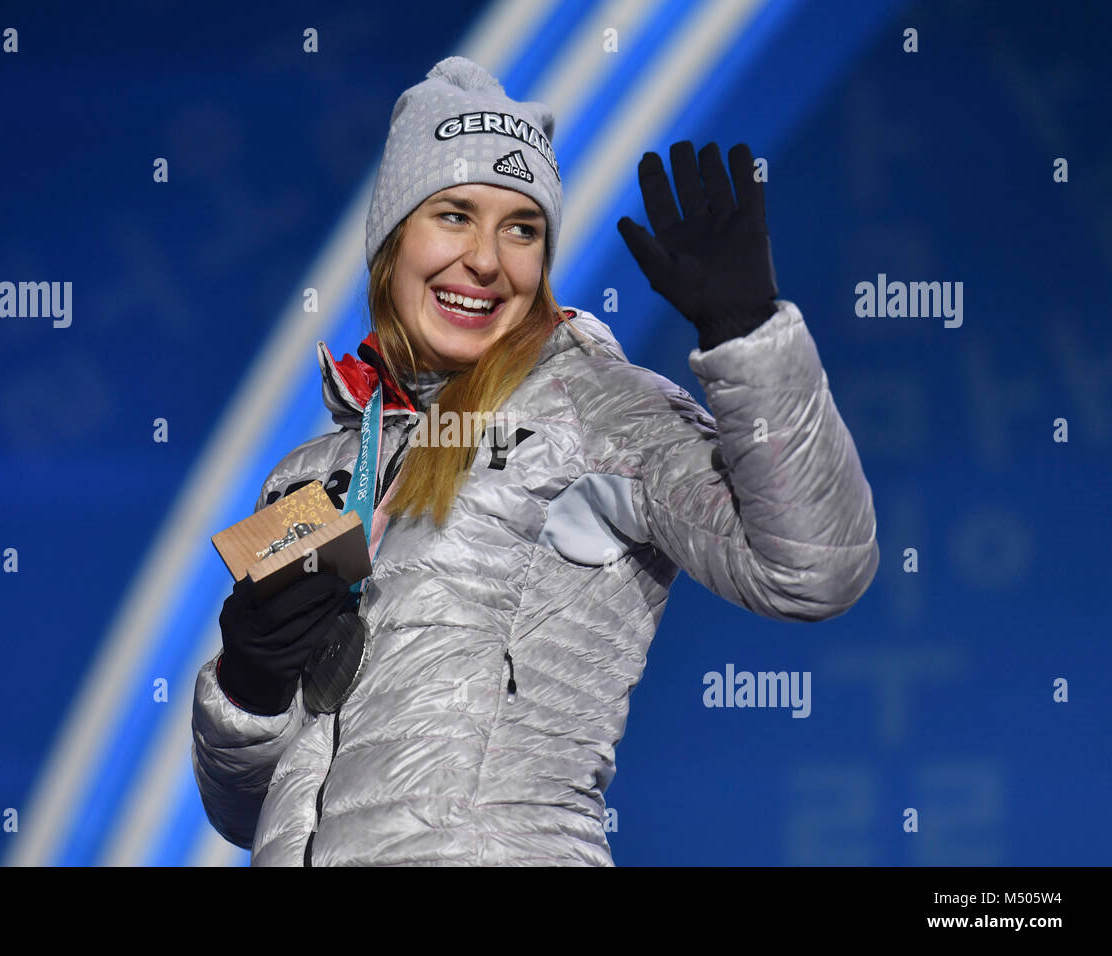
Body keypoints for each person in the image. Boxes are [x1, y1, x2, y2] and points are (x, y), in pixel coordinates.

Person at [191, 56, 879, 866]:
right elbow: (247, 813)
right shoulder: (309, 474)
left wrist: (749, 336)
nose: (487, 260)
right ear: (392, 237)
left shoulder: (594, 408)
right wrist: (246, 689)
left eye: (522, 229)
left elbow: (813, 569)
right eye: (454, 215)